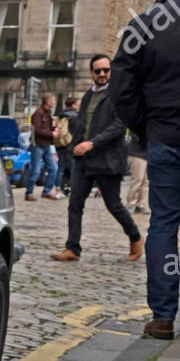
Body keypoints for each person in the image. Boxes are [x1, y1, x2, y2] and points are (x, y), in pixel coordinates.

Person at [112, 0, 180, 340]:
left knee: (165, 224)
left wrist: (146, 126)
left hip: (166, 138)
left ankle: (164, 316)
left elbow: (121, 89)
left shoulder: (145, 25)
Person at [50, 55, 143, 263]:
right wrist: (75, 144)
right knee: (75, 203)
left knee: (113, 204)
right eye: (98, 71)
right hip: (84, 159)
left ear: (111, 71)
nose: (102, 74)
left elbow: (119, 125)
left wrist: (93, 143)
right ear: (91, 73)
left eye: (106, 70)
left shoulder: (118, 94)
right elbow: (82, 123)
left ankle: (136, 237)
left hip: (107, 159)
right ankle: (72, 248)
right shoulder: (86, 96)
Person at [25, 93, 61, 200]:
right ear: (48, 101)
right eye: (53, 100)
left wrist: (55, 128)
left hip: (46, 145)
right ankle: (29, 193)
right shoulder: (38, 113)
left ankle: (46, 191)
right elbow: (36, 129)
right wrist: (51, 134)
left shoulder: (47, 113)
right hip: (37, 145)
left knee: (54, 168)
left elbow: (46, 128)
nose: (54, 102)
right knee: (35, 170)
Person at [56, 96, 80, 193]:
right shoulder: (75, 116)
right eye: (78, 103)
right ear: (73, 105)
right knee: (73, 167)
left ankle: (59, 188)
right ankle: (72, 188)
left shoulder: (60, 115)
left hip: (60, 144)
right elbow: (77, 132)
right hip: (71, 144)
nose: (79, 105)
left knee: (61, 167)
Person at [124, 129, 149, 213]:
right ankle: (131, 203)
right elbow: (137, 137)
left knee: (146, 182)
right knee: (137, 180)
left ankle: (141, 204)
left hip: (147, 155)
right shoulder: (137, 122)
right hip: (137, 154)